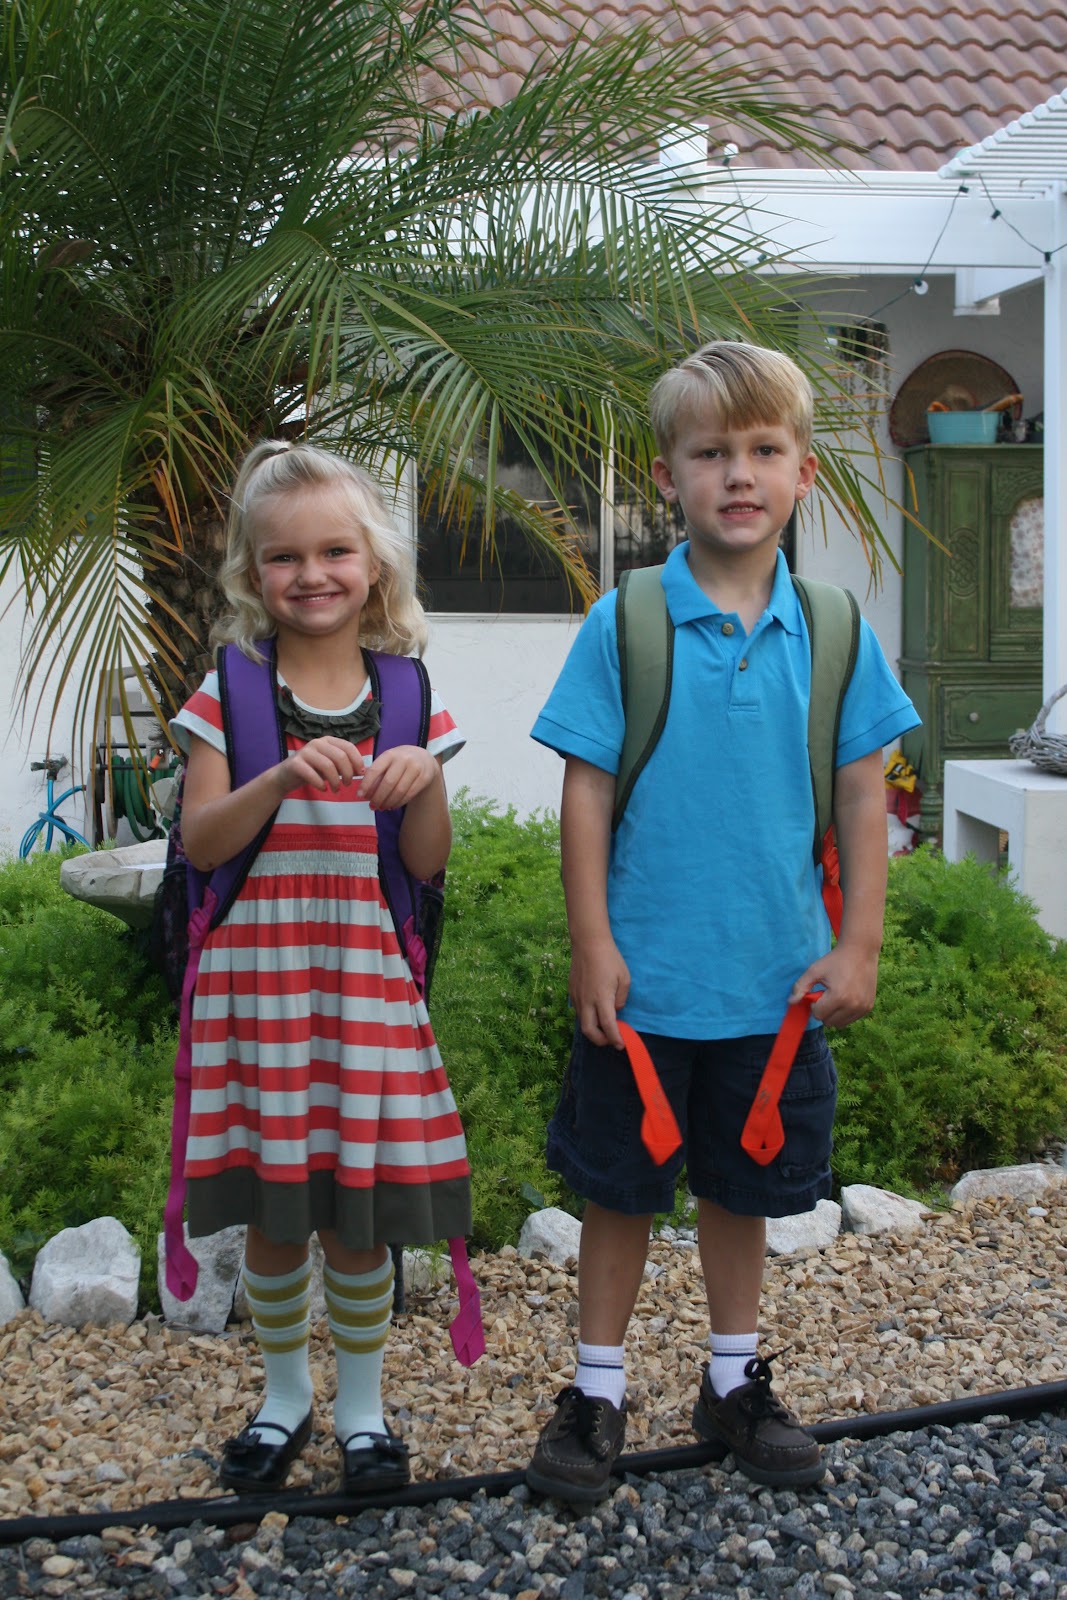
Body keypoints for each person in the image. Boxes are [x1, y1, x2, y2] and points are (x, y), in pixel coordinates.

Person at [527, 340, 920, 1503]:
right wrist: (591, 941)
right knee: (619, 1189)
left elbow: (862, 792)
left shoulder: (835, 628)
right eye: (711, 453)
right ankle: (596, 1392)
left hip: (773, 984)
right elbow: (585, 789)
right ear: (667, 478)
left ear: (802, 472)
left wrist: (858, 944)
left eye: (762, 451)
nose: (737, 473)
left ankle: (731, 1379)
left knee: (740, 1195)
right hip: (642, 991)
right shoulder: (627, 621)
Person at [171, 440, 470, 1497]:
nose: (313, 574)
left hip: (361, 988)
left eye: (335, 550)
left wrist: (423, 775)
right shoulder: (230, 689)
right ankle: (282, 1395)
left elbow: (425, 863)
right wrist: (284, 777)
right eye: (285, 557)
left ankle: (362, 1410)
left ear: (374, 564)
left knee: (356, 1213)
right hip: (261, 991)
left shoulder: (407, 691)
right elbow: (203, 841)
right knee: (273, 1212)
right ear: (254, 576)